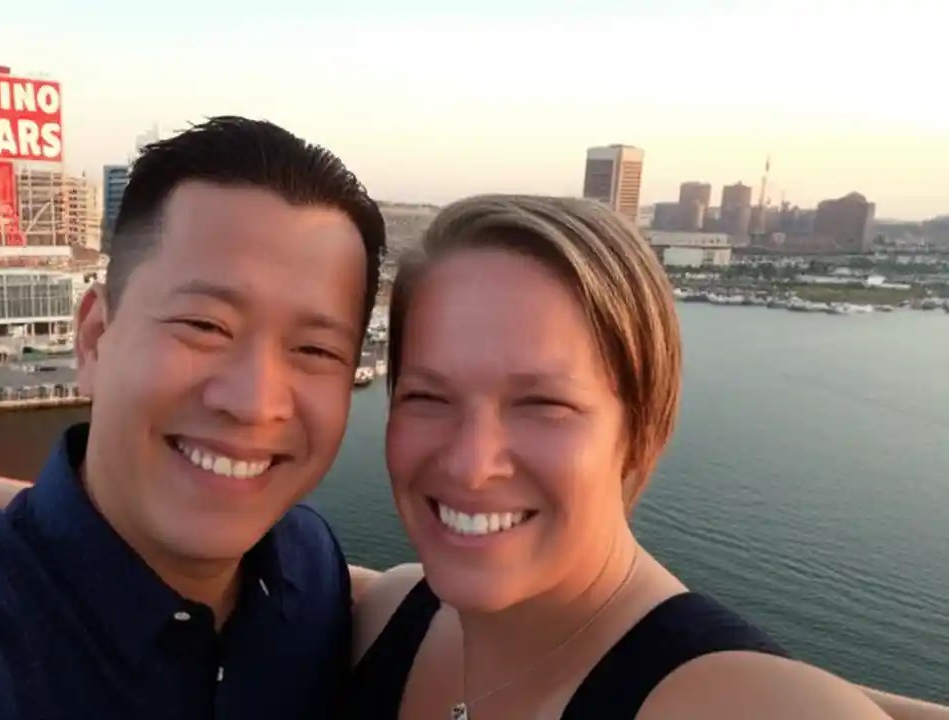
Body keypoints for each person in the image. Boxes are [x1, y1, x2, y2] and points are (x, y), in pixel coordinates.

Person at [0, 116, 386, 719]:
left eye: (314, 349)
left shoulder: (306, 568)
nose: (254, 402)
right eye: (203, 325)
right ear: (94, 337)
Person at [347, 195, 898, 719]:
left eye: (543, 404)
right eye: (427, 397)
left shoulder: (743, 703)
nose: (471, 463)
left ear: (639, 429)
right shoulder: (385, 616)